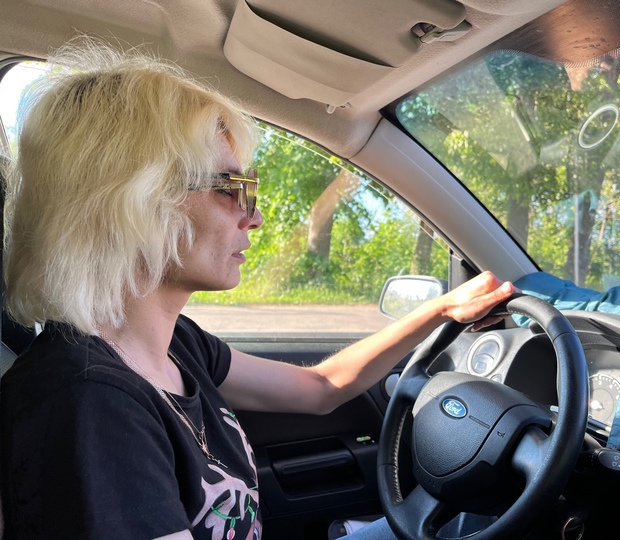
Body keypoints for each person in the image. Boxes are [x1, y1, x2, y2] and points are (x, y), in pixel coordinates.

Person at [0, 38, 516, 540]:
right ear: (133, 199)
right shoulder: (89, 404)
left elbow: (321, 389)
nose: (256, 217)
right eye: (232, 188)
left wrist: (442, 309)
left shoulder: (176, 344)